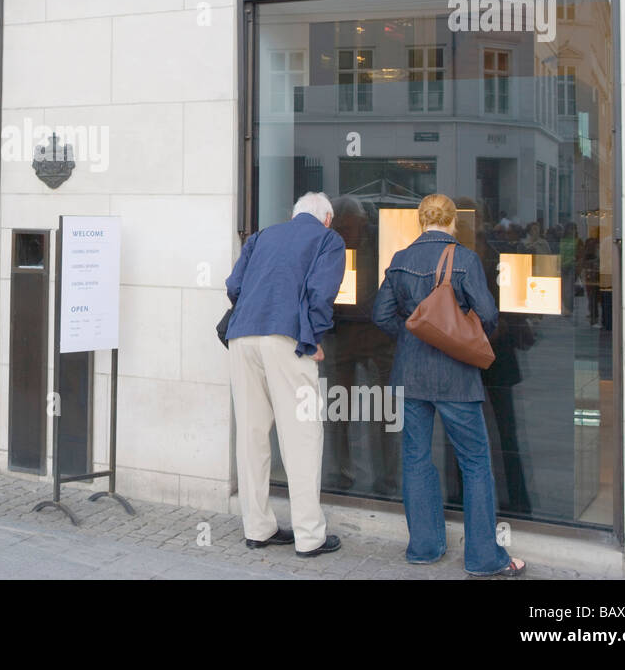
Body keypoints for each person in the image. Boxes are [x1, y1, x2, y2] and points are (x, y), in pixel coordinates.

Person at [372, 193, 526, 577]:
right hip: (456, 375)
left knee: (416, 458)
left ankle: (424, 548)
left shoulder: (400, 260)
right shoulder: (466, 259)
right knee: (475, 463)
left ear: (421, 221)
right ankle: (483, 558)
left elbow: (381, 315)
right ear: (453, 221)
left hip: (411, 373)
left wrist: (412, 337)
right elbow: (489, 315)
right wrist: (463, 338)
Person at [224, 191, 346, 557]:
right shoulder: (329, 239)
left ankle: (258, 528)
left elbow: (234, 287)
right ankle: (310, 536)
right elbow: (320, 294)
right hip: (286, 338)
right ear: (326, 217)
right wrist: (314, 338)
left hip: (242, 337)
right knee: (302, 435)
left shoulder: (261, 236)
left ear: (295, 215)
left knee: (251, 434)